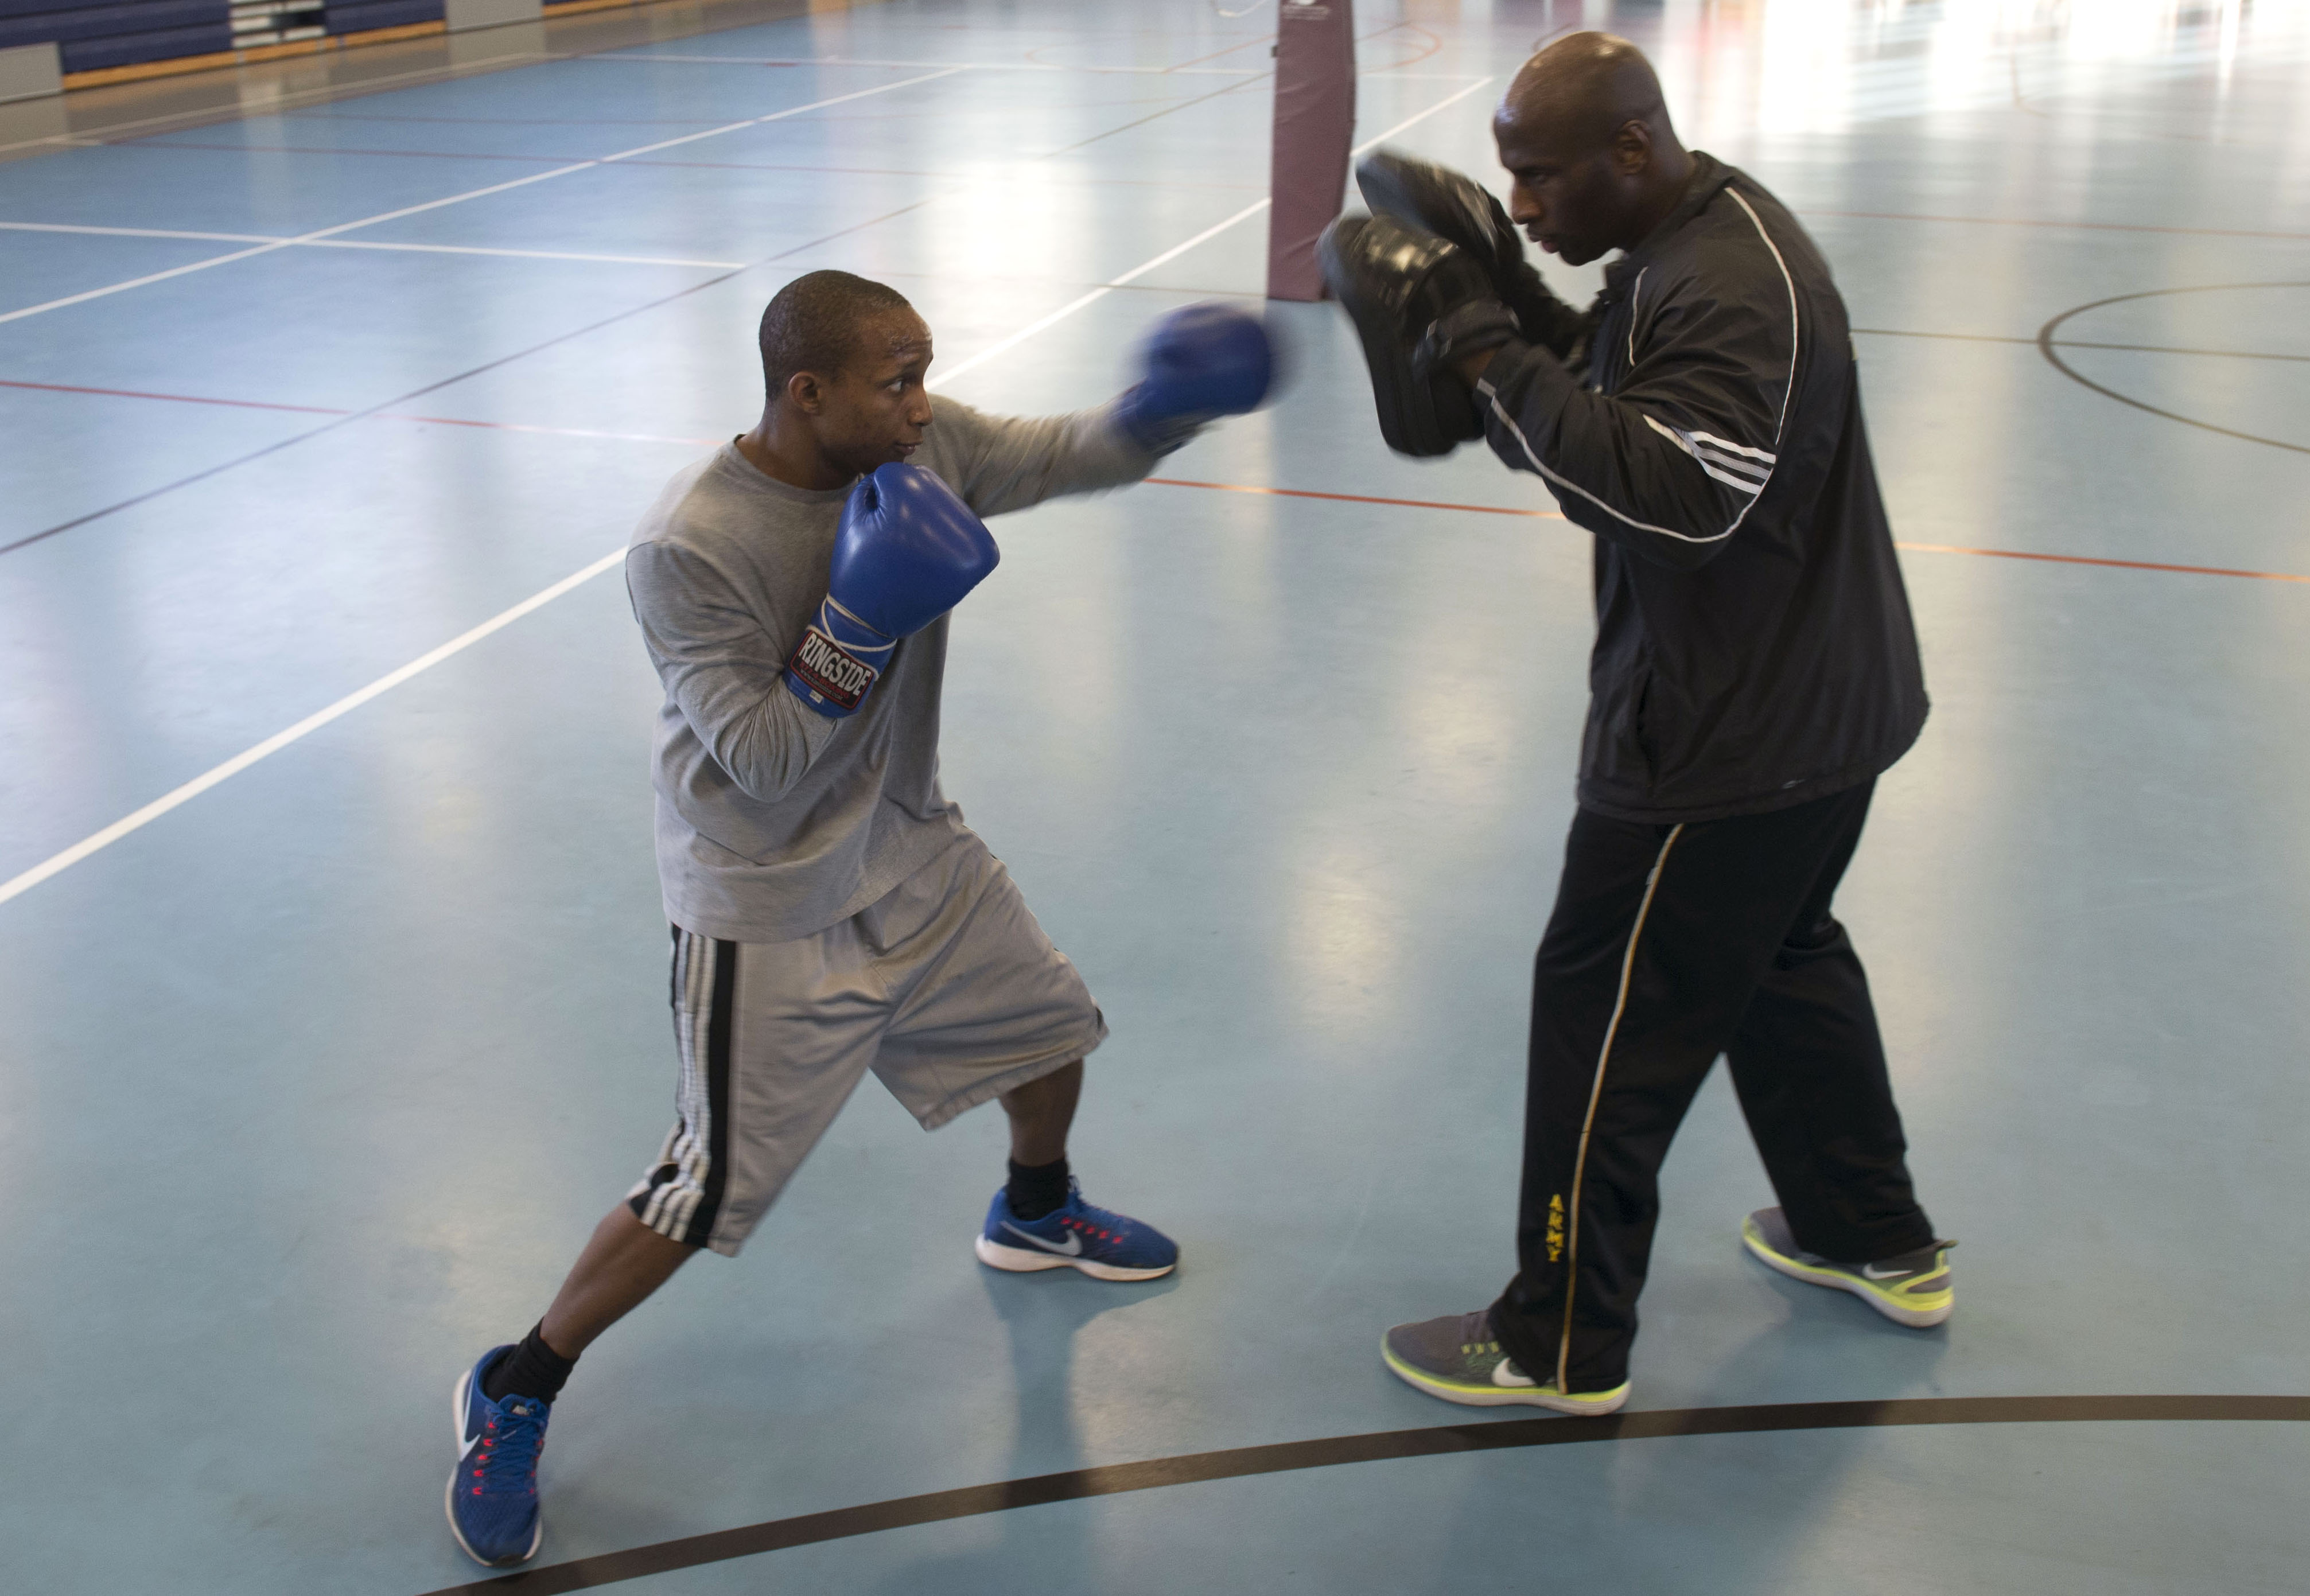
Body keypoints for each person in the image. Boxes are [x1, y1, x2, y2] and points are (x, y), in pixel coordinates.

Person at [444, 270, 1274, 1567]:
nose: (921, 404)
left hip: (910, 843)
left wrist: (1162, 410)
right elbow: (766, 760)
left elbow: (1065, 452)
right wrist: (857, 617)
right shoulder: (689, 545)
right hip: (765, 895)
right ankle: (518, 1382)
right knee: (702, 1186)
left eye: (924, 372)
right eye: (895, 380)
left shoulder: (919, 444)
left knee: (1048, 1022)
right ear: (804, 391)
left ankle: (1034, 1207)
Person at [1319, 33, 1951, 1416]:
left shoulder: (1724, 290)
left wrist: (1483, 343)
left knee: (1602, 1016)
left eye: (1538, 179)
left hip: (1722, 741)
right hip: (1817, 705)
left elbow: (1675, 496)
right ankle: (1869, 1233)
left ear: (1628, 146)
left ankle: (1556, 1336)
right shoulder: (1687, 246)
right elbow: (1611, 403)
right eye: (1509, 183)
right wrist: (1514, 328)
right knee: (1777, 957)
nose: (1526, 208)